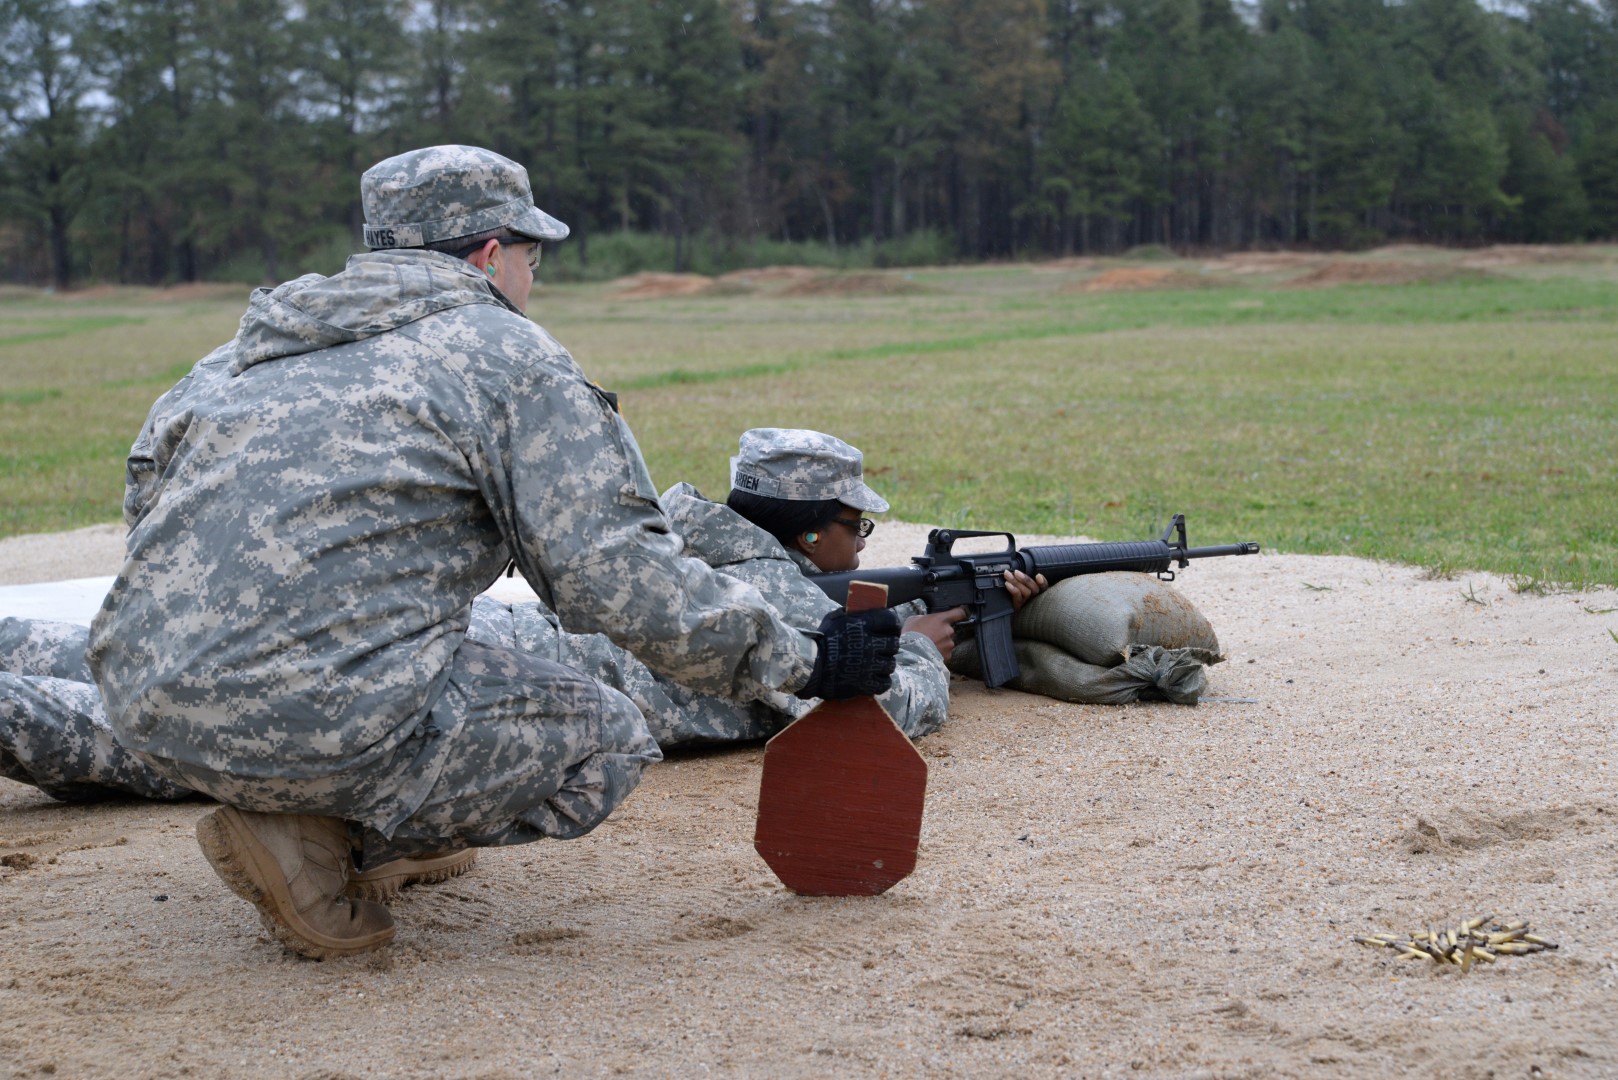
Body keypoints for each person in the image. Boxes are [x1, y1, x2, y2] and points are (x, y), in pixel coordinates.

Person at [75, 145, 903, 959]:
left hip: (142, 701)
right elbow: (612, 576)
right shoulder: (507, 356)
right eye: (531, 261)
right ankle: (322, 843)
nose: (530, 284)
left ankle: (326, 810)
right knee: (605, 739)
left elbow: (146, 507)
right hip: (314, 718)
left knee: (428, 647)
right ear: (490, 253)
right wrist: (802, 660)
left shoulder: (237, 353)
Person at [470, 427, 1046, 746]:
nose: (865, 543)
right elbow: (889, 709)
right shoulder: (773, 589)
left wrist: (956, 602)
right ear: (811, 535)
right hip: (512, 678)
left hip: (504, 635)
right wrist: (917, 646)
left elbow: (818, 600)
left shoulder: (695, 540)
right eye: (856, 525)